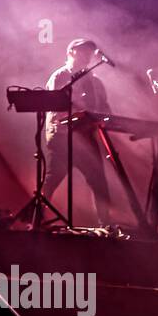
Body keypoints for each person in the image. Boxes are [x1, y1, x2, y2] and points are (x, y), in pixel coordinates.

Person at [43, 38, 113, 225]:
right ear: (71, 52)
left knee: (99, 183)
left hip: (86, 137)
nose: (88, 56)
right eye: (83, 51)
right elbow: (54, 106)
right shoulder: (60, 77)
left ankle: (106, 226)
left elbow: (105, 108)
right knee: (51, 181)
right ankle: (35, 220)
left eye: (90, 52)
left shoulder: (96, 83)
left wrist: (106, 119)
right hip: (62, 137)